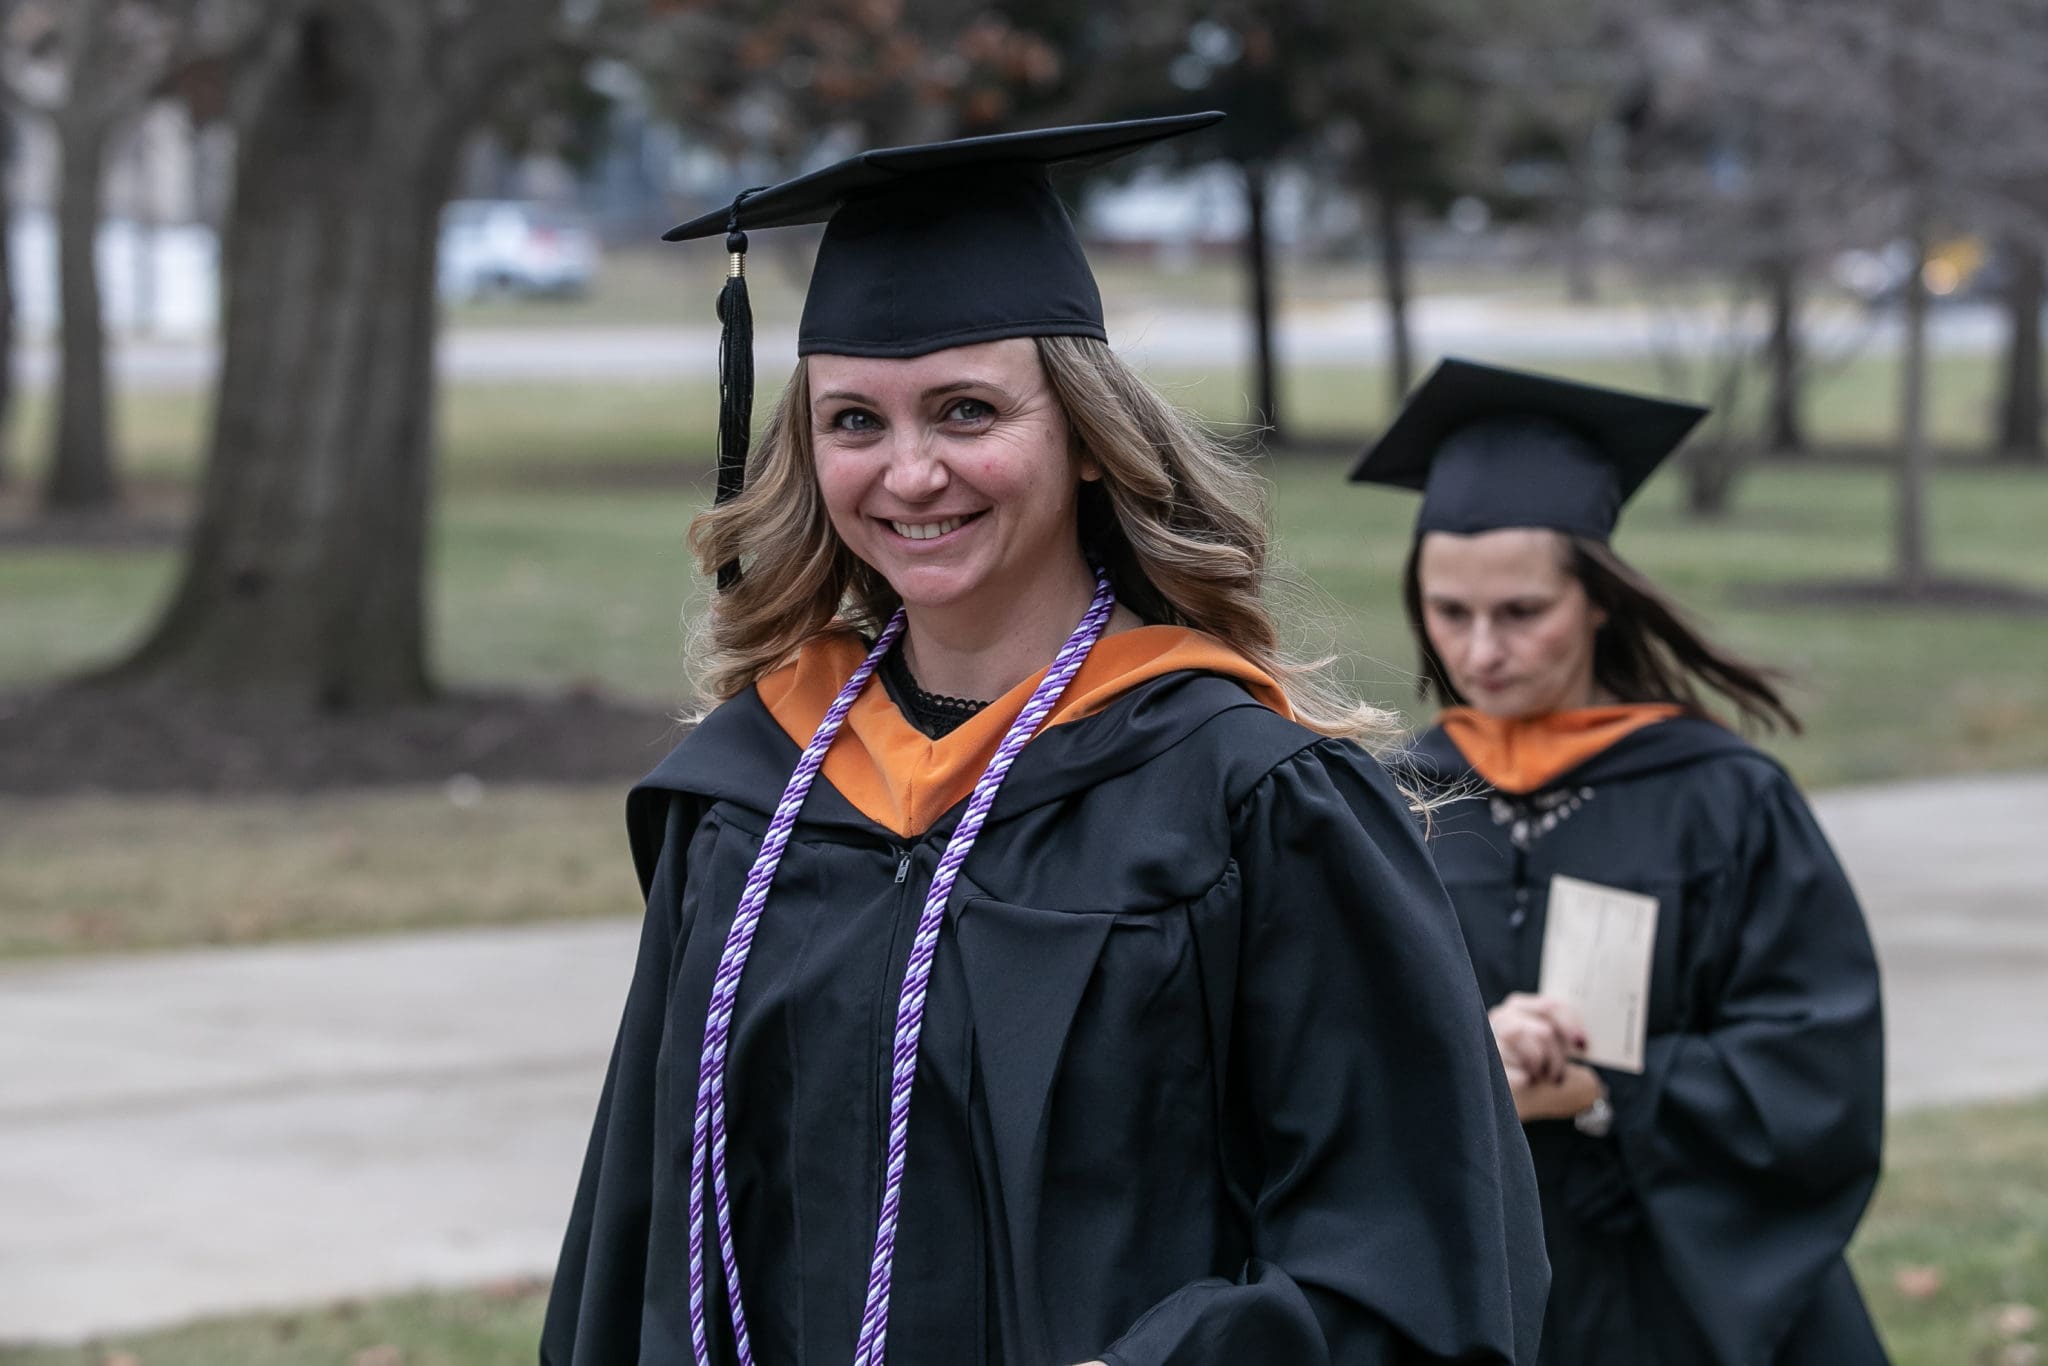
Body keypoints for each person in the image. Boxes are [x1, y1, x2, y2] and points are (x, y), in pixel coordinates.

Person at [541, 120, 1547, 1366]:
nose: (909, 473)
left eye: (966, 410)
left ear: (1082, 435)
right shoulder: (749, 796)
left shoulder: (1246, 799)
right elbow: (642, 1236)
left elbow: (1414, 1257)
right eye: (855, 420)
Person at [1351, 358, 1889, 1365]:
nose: (1479, 651)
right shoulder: (1392, 801)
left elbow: (1814, 1068)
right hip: (1465, 1283)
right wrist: (1469, 1054)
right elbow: (1323, 1045)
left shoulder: (1720, 798)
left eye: (1520, 612)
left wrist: (1603, 1090)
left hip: (1676, 1291)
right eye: (1447, 611)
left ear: (1596, 598)